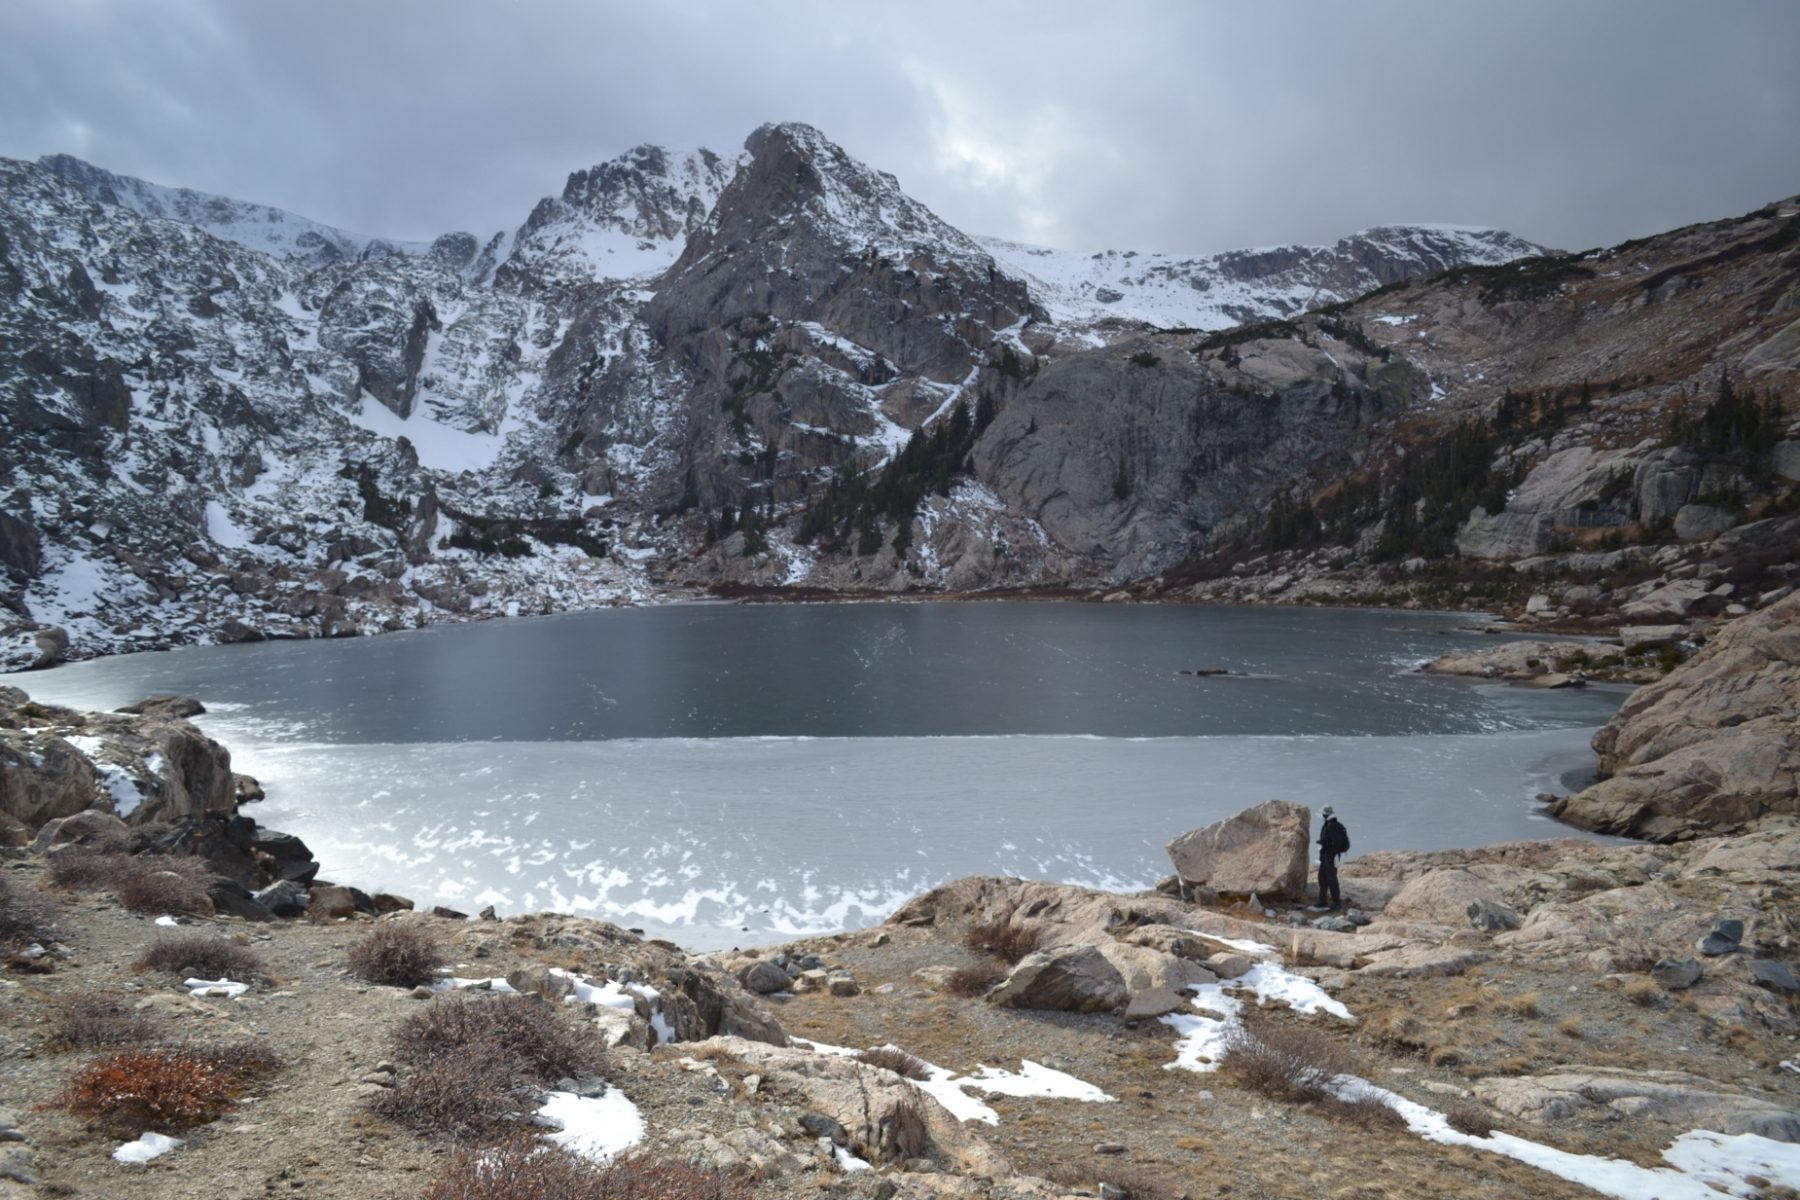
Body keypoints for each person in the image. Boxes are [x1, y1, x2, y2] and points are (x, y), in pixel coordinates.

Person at [1316, 805, 1350, 912]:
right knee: (1322, 878)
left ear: (1326, 815)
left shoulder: (1332, 826)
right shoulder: (1329, 825)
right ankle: (1322, 901)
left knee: (1331, 879)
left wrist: (1330, 853)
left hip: (1331, 857)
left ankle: (1336, 903)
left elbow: (1335, 843)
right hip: (1326, 856)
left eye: (1322, 814)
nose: (1321, 816)